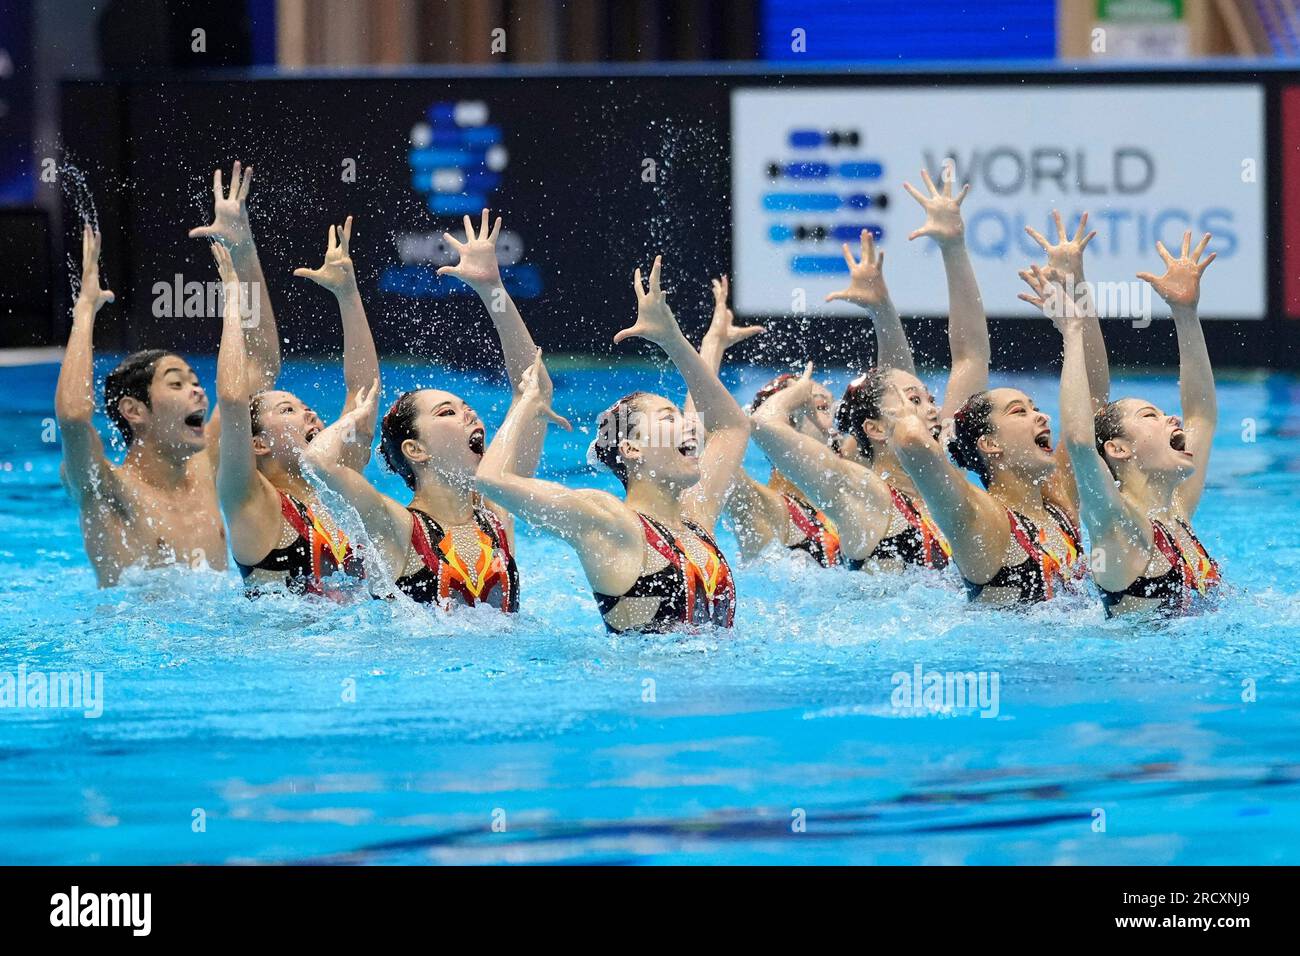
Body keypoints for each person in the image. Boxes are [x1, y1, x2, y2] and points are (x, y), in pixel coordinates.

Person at [475, 257, 749, 633]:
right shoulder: (607, 521)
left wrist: (673, 341)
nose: (689, 424)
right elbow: (491, 480)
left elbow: (732, 426)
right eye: (669, 418)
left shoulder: (697, 515)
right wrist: (525, 405)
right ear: (631, 449)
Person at [303, 211, 555, 611]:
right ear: (415, 449)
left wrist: (493, 289)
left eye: (466, 407)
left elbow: (534, 390)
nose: (469, 414)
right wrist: (353, 419)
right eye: (446, 413)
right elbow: (316, 463)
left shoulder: (496, 512)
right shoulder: (395, 527)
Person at [54, 163, 280, 585]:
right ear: (134, 410)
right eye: (177, 383)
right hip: (129, 647)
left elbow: (261, 366)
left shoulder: (210, 465)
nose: (198, 391)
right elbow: (72, 418)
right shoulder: (104, 489)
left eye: (195, 381)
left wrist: (245, 251)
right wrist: (85, 313)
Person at [891, 209, 1113, 604]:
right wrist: (919, 412)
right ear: (990, 445)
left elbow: (1093, 394)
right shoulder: (980, 518)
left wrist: (1075, 290)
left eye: (1033, 407)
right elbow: (910, 441)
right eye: (1019, 412)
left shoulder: (1059, 502)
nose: (1042, 415)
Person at [1025, 232, 1221, 615]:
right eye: (1150, 416)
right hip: (1135, 673)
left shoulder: (1175, 508)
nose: (1172, 418)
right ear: (1118, 449)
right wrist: (1072, 333)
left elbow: (1201, 413)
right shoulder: (1114, 521)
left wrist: (1185, 315)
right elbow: (1081, 442)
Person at [214, 215, 378, 596]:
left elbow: (364, 394)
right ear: (258, 443)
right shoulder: (249, 499)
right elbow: (234, 400)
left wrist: (349, 296)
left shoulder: (337, 485)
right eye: (287, 410)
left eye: (305, 408)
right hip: (282, 650)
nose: (310, 413)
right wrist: (234, 303)